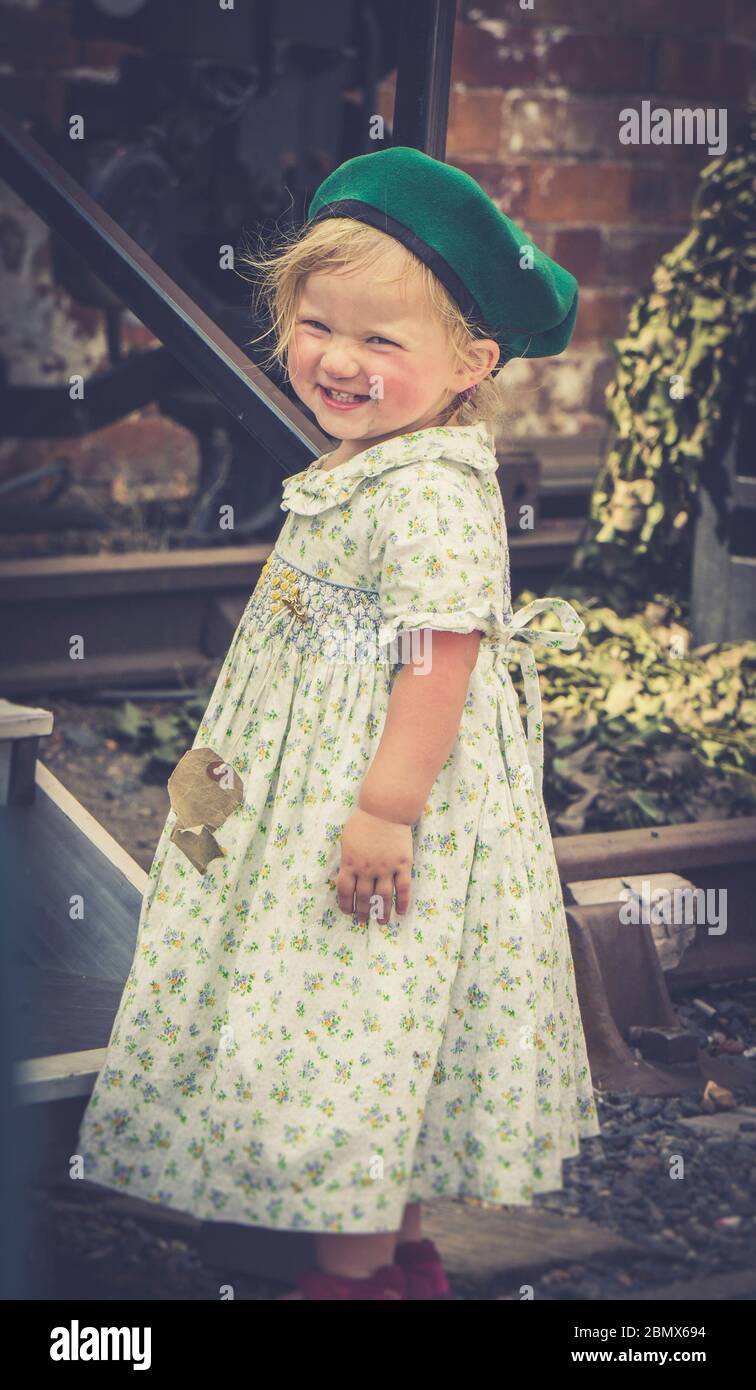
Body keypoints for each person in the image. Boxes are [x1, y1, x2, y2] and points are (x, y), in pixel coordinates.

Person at [76, 146, 601, 1301]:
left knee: (352, 1020)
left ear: (472, 361)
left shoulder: (425, 489)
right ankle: (391, 1252)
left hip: (377, 805)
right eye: (319, 325)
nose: (338, 360)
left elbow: (440, 657)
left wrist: (383, 809)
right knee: (360, 1022)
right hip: (321, 790)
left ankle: (353, 1271)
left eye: (382, 341)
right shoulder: (377, 459)